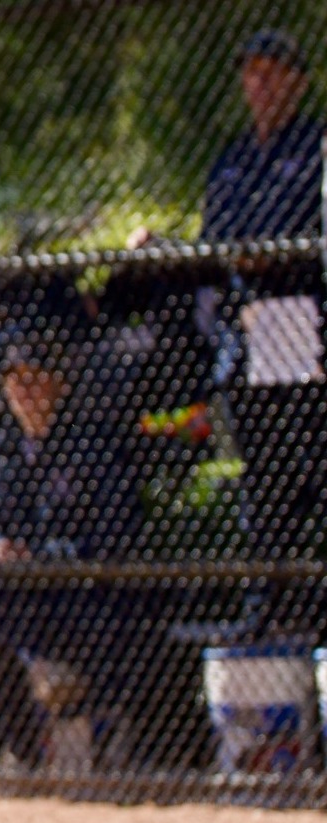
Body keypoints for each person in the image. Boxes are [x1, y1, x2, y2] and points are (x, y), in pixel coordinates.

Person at [0, 333, 142, 772]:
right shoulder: (1, 451)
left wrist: (40, 556)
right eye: (15, 381)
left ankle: (50, 676)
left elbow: (110, 535)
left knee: (7, 616)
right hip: (18, 597)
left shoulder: (91, 447)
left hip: (77, 595)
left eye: (35, 379)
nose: (25, 392)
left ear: (60, 383)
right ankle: (25, 753)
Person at [199, 29, 326, 635]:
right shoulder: (231, 158)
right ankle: (267, 604)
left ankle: (313, 602)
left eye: (272, 72)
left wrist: (267, 253)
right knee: (261, 473)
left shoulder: (318, 147)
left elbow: (301, 228)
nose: (260, 83)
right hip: (247, 329)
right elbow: (215, 239)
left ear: (298, 81)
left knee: (313, 462)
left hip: (304, 321)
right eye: (251, 72)